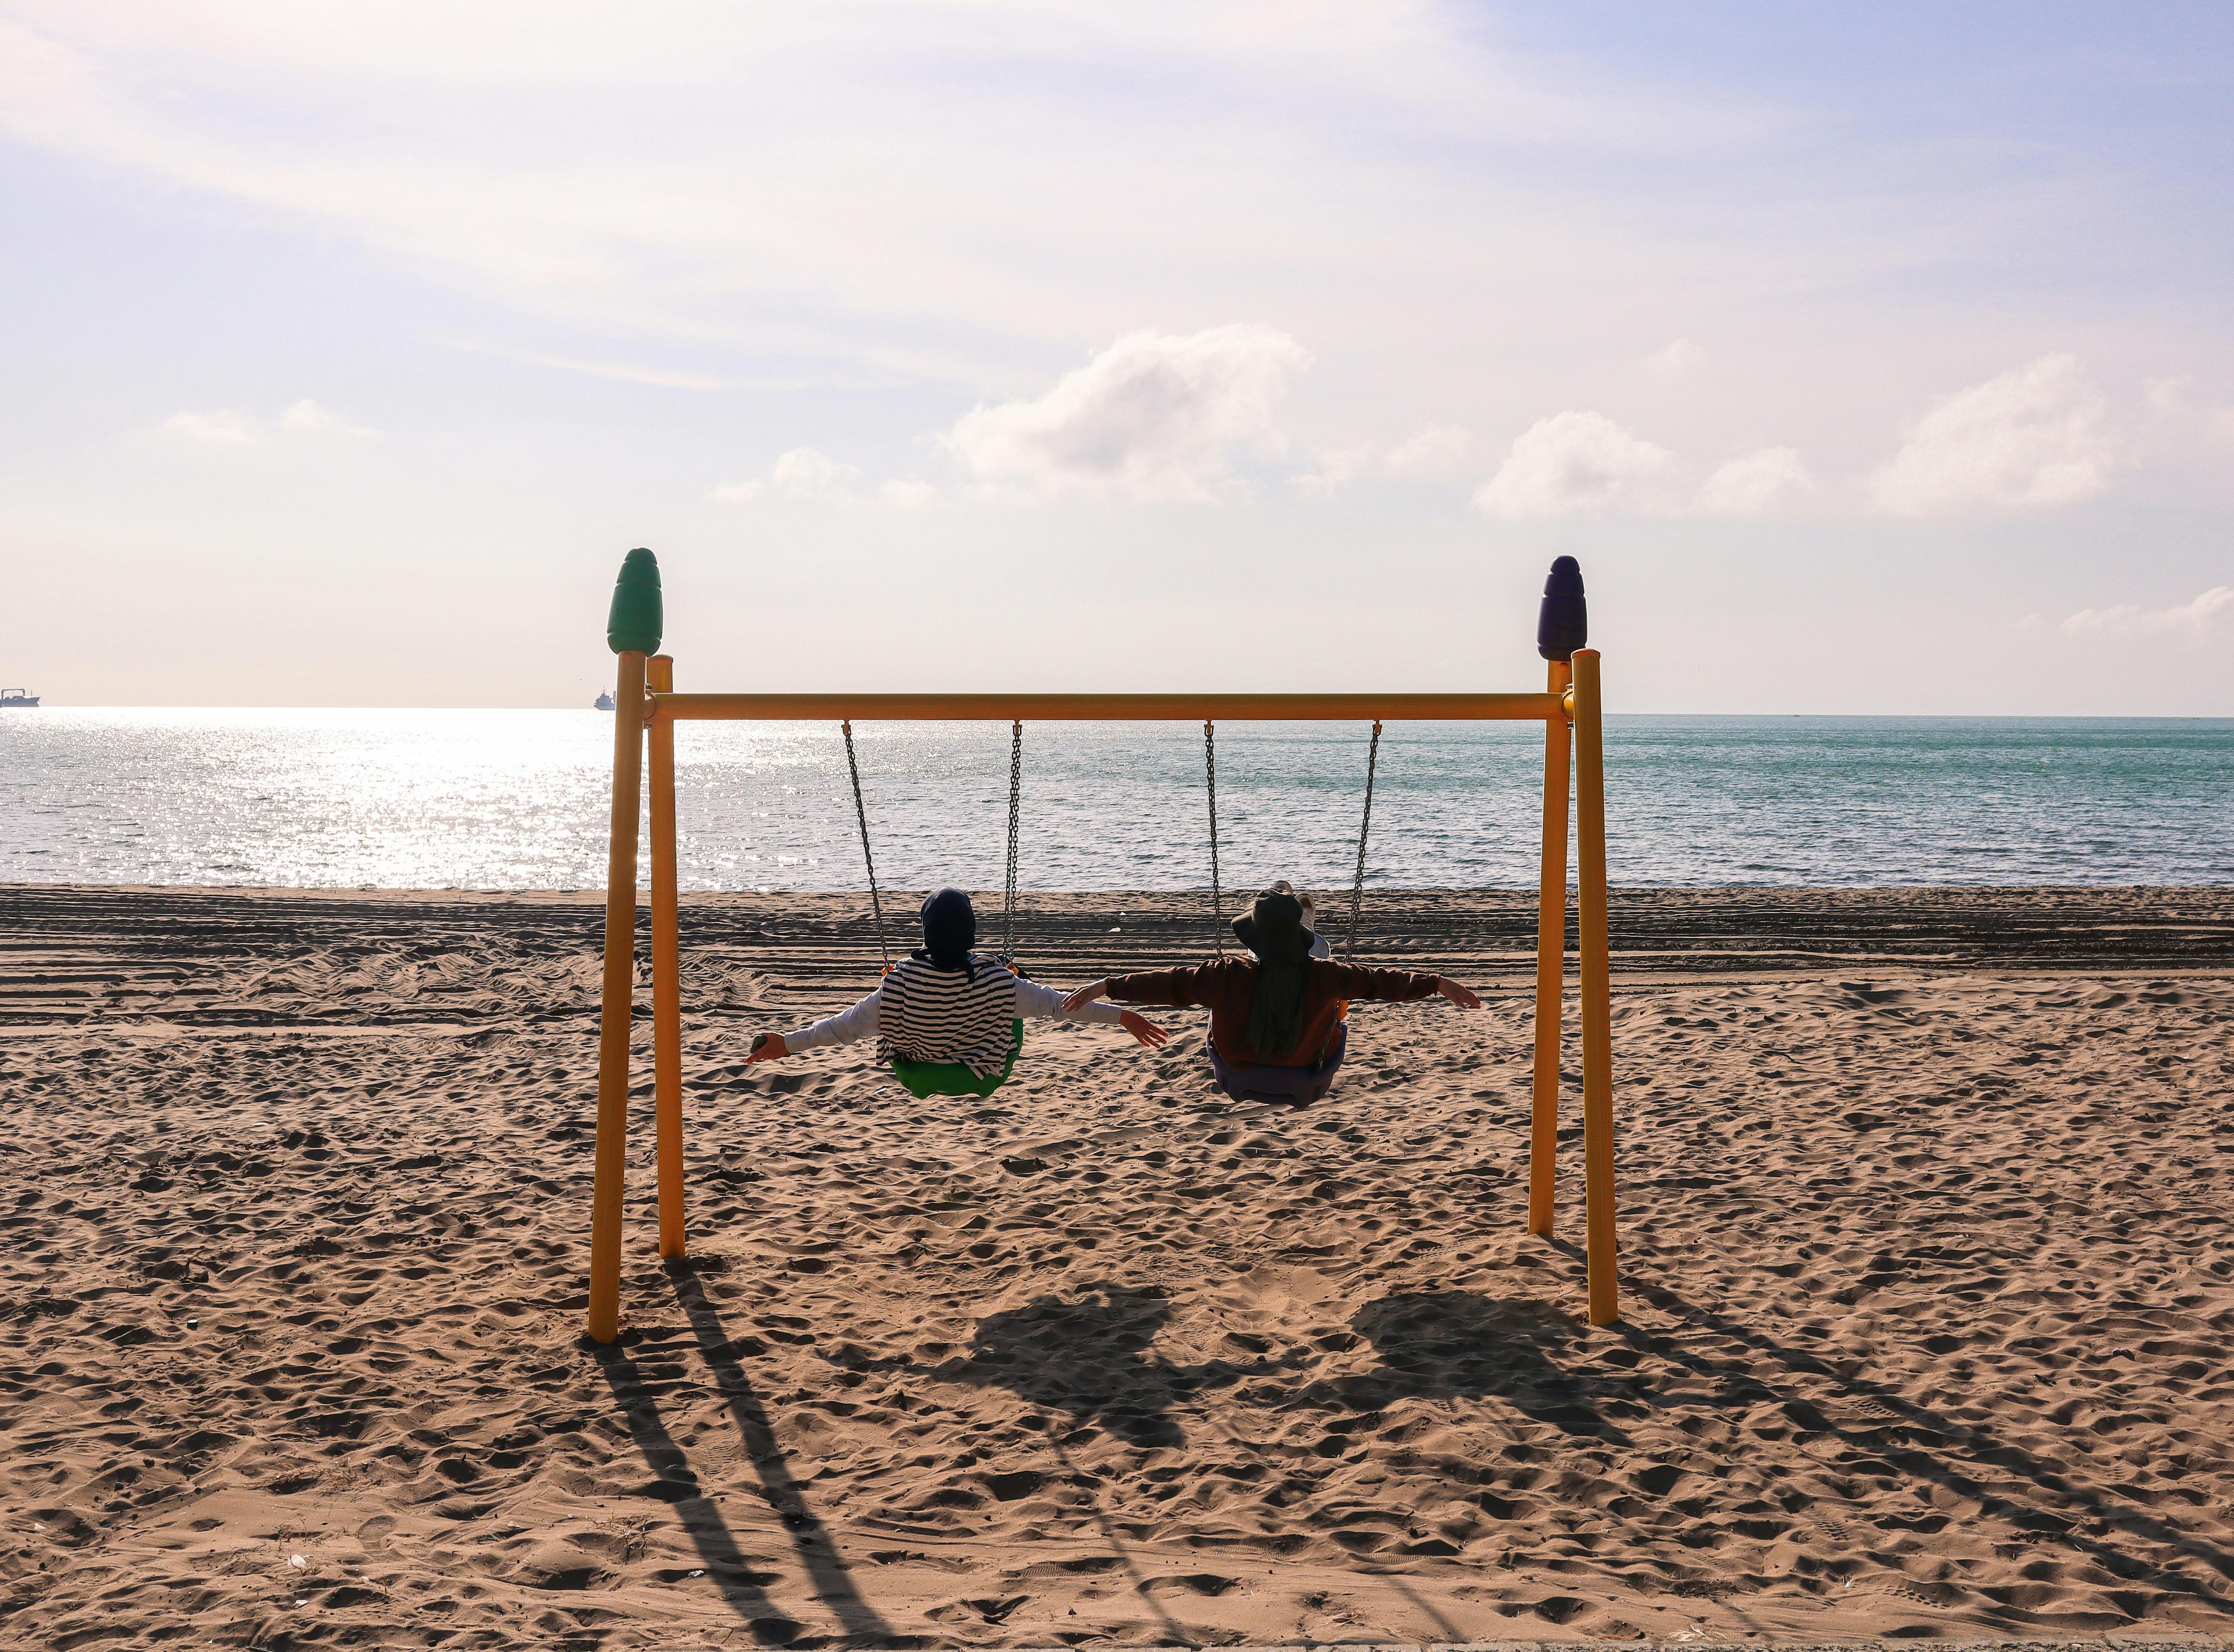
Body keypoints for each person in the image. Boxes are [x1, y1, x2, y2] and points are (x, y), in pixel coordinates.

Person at [1061, 886, 1480, 1105]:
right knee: (1339, 1009)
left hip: (1236, 1062)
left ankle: (1273, 920)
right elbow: (1381, 981)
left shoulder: (1226, 973)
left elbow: (1170, 984)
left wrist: (1106, 985)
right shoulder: (1328, 973)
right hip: (1308, 1064)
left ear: (1255, 940)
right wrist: (1437, 982)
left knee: (1209, 1003)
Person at [747, 888, 1169, 1082]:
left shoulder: (898, 983)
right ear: (971, 933)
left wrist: (786, 1042)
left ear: (926, 934)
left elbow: (842, 1027)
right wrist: (1123, 1016)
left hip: (916, 1071)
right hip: (980, 1073)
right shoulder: (999, 981)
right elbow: (1064, 1006)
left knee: (884, 1011)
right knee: (1019, 999)